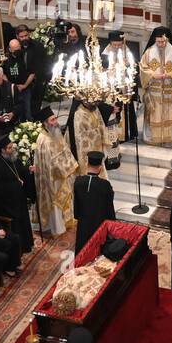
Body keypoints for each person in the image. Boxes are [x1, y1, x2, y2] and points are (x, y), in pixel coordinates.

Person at [33, 107, 76, 237]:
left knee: (65, 200)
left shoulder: (55, 132)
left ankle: (65, 222)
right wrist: (64, 170)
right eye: (52, 120)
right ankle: (57, 227)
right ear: (45, 123)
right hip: (52, 179)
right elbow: (47, 164)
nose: (55, 122)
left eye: (55, 118)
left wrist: (69, 166)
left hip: (62, 174)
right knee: (55, 203)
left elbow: (64, 150)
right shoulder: (43, 140)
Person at [139, 27, 172, 144]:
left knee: (169, 113)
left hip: (169, 90)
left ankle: (169, 136)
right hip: (154, 91)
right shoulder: (149, 53)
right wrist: (153, 75)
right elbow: (143, 68)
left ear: (167, 40)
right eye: (158, 42)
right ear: (155, 40)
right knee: (153, 113)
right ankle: (152, 137)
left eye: (163, 41)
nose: (161, 44)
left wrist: (170, 74)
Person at [72, 151, 115, 254]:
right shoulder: (105, 185)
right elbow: (109, 207)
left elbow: (76, 204)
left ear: (87, 164)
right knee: (97, 250)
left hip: (83, 223)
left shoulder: (78, 181)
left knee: (82, 250)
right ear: (100, 167)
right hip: (99, 224)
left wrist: (78, 216)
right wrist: (111, 223)